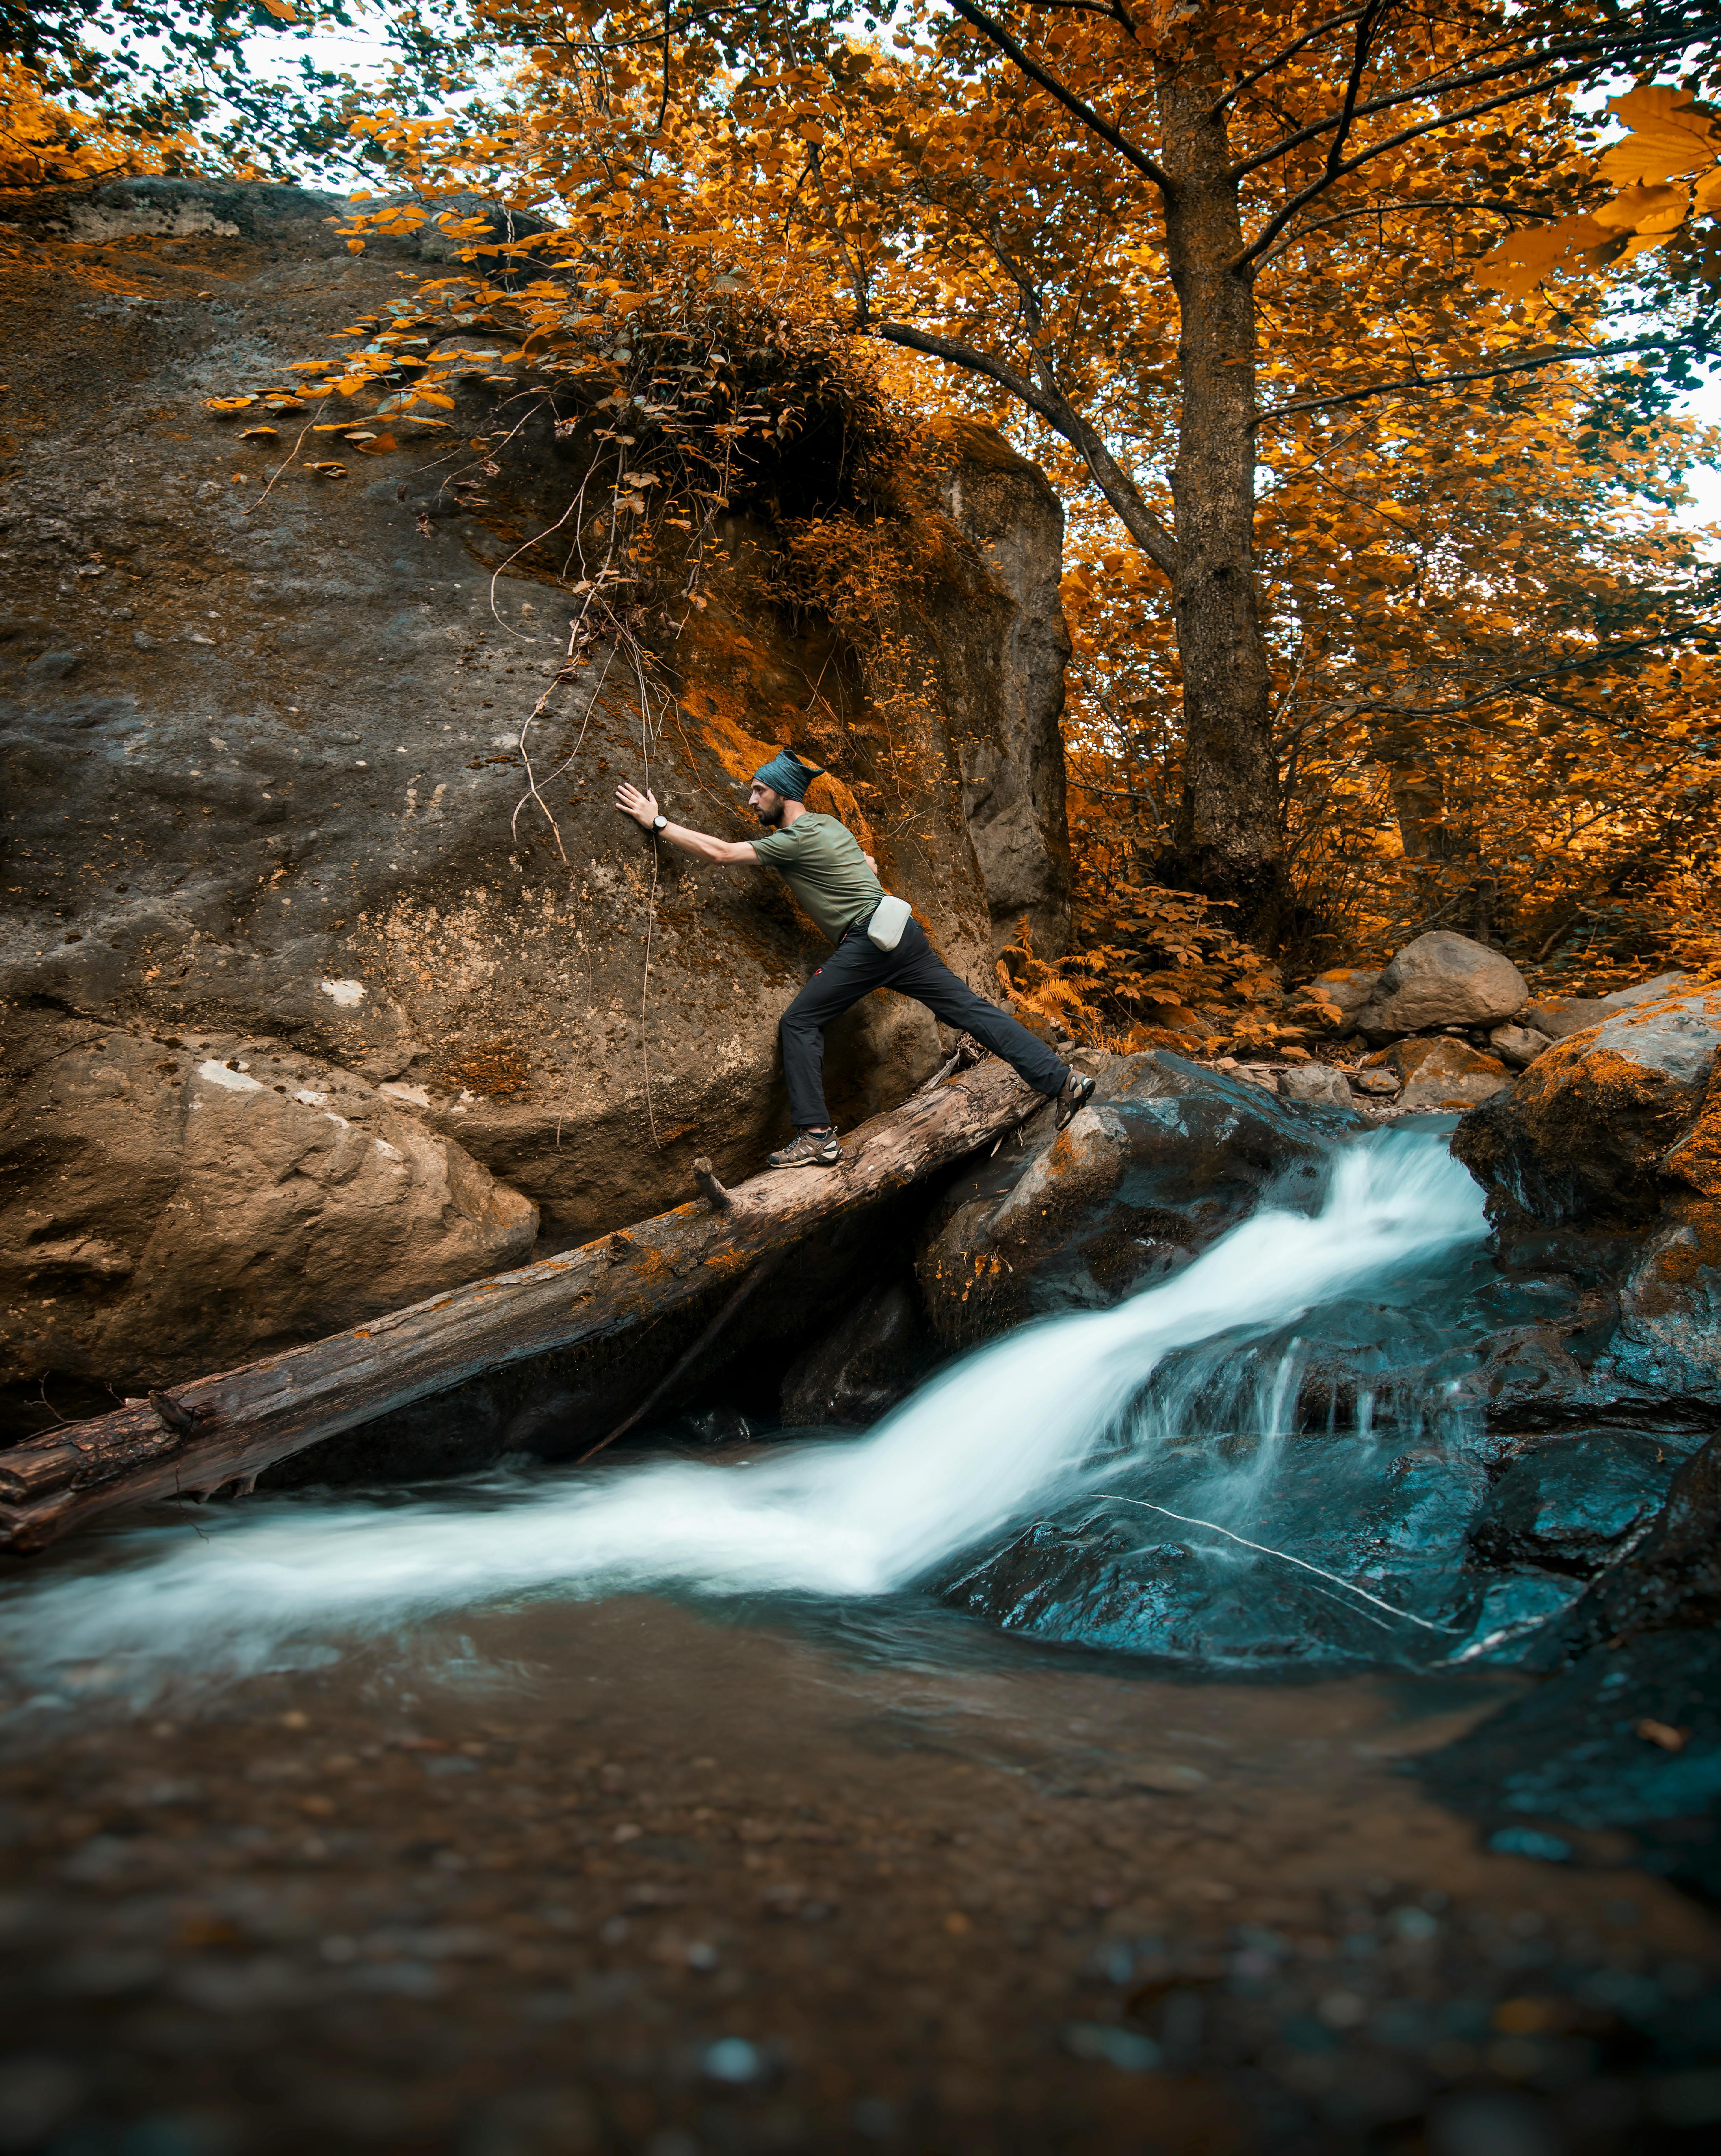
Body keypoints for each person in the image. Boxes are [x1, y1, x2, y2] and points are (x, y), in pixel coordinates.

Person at [615, 747, 1095, 1167]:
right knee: (971, 1011)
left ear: (782, 795)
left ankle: (817, 1137)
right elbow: (869, 864)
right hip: (902, 933)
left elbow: (719, 853)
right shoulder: (829, 825)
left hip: (868, 940)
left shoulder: (795, 839)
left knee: (799, 1022)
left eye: (758, 791)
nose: (751, 800)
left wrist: (655, 822)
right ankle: (1063, 1080)